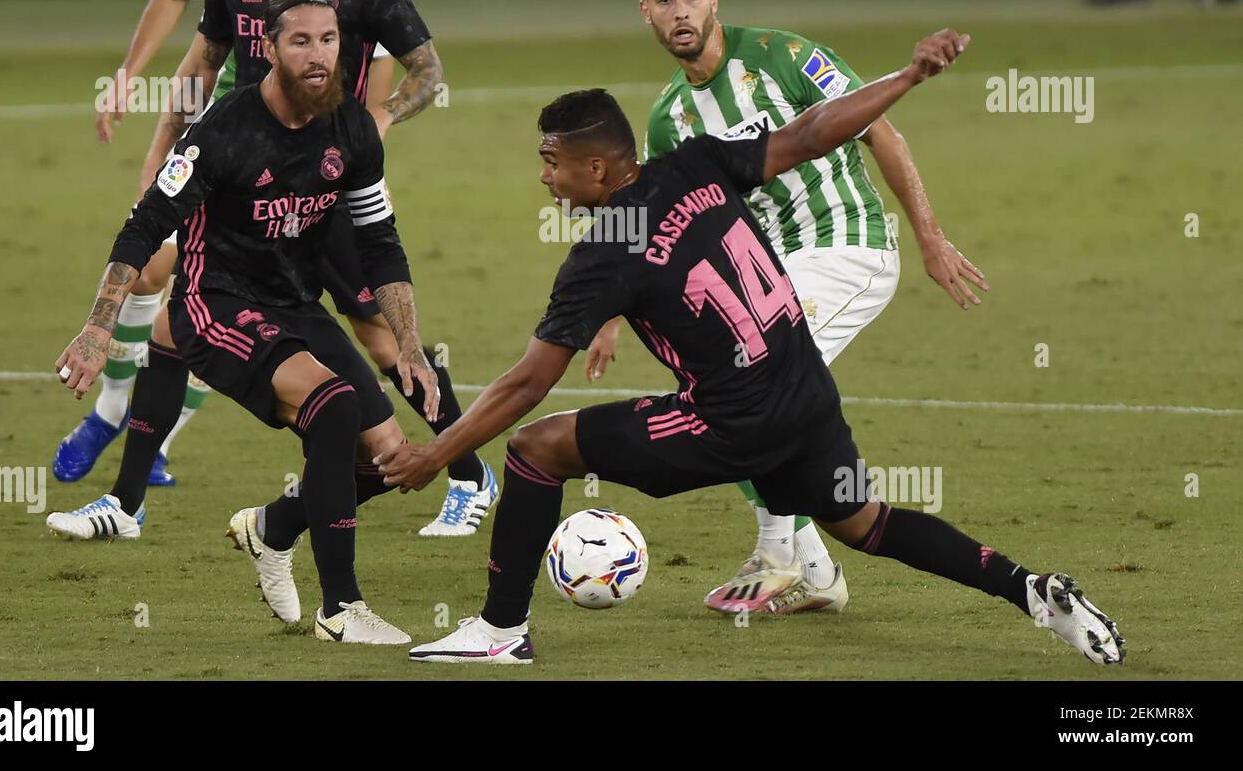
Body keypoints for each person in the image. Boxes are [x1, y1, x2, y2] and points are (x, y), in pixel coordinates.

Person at [379, 35, 1123, 668]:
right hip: (806, 392)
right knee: (865, 523)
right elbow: (809, 135)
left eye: (551, 162)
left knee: (537, 448)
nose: (544, 177)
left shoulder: (604, 247)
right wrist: (907, 77)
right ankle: (1031, 590)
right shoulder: (696, 164)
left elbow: (526, 385)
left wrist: (437, 454)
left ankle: (502, 631)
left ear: (598, 169)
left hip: (733, 422)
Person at [584, 0, 988, 613]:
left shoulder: (784, 55)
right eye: (664, 0)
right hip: (773, 278)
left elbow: (882, 132)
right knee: (727, 388)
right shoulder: (668, 120)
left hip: (848, 245)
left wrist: (930, 237)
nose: (680, 11)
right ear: (646, 15)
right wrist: (604, 315)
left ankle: (784, 554)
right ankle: (813, 569)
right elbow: (651, 222)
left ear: (714, 1)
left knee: (748, 385)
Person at [55, 0, 437, 644]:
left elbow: (379, 240)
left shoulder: (351, 128)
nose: (319, 56)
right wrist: (99, 325)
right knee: (335, 405)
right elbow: (145, 226)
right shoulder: (223, 132)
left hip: (297, 303)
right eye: (301, 41)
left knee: (392, 462)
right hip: (216, 305)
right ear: (267, 49)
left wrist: (407, 343)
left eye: (329, 39)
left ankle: (273, 528)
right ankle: (341, 610)